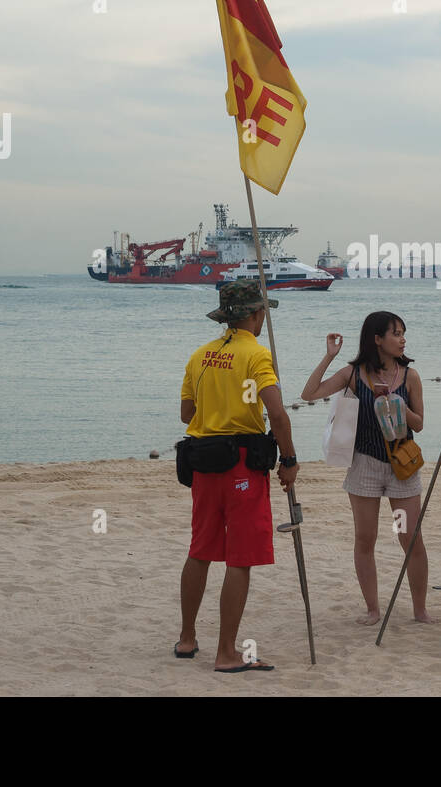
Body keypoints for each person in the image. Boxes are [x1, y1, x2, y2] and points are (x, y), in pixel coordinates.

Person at [176, 281, 300, 673]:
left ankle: (187, 637)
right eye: (262, 312)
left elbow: (186, 412)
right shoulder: (257, 355)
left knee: (200, 550)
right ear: (252, 315)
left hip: (203, 462)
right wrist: (290, 458)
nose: (263, 317)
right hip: (241, 463)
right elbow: (277, 415)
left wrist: (219, 403)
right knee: (240, 558)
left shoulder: (200, 355)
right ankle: (227, 651)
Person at [301, 312, 434, 626]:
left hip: (402, 463)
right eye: (395, 333)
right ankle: (373, 609)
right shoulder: (352, 374)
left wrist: (395, 404)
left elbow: (420, 423)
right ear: (377, 339)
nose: (402, 339)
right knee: (365, 538)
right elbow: (309, 394)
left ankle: (420, 610)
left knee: (410, 537)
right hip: (364, 464)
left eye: (403, 333)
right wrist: (329, 356)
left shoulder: (409, 375)